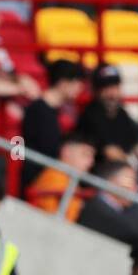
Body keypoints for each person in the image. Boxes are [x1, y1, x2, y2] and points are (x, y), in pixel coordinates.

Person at [19, 59, 86, 194]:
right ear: (63, 83)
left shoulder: (54, 111)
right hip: (38, 179)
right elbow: (43, 148)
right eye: (77, 84)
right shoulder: (38, 110)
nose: (80, 90)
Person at [73, 65, 138, 171]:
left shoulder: (122, 114)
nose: (112, 94)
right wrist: (135, 167)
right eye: (106, 88)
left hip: (120, 176)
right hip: (100, 178)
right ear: (95, 91)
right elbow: (110, 153)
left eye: (115, 87)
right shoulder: (90, 116)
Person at [76, 160, 138, 246]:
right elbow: (133, 231)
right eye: (132, 180)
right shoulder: (96, 208)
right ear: (111, 181)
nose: (137, 188)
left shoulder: (117, 211)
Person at [24, 134, 97, 222]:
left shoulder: (70, 181)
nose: (91, 162)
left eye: (92, 157)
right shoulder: (55, 177)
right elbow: (49, 217)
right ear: (66, 151)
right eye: (85, 155)